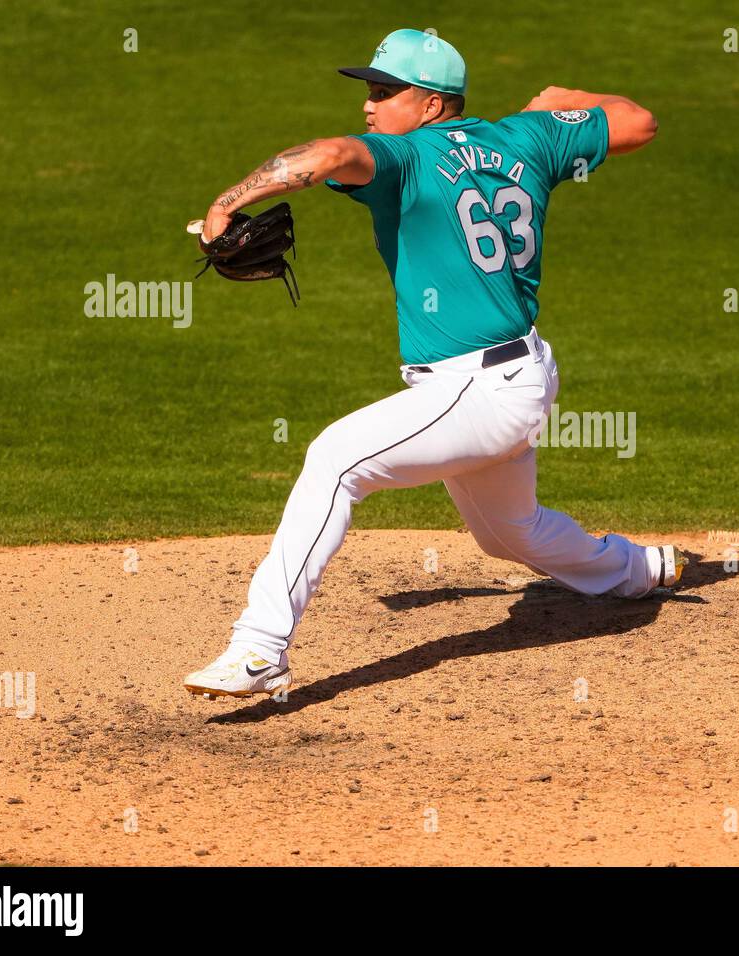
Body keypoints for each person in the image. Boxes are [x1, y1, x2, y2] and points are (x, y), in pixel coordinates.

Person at [183, 28, 684, 700]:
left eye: (386, 91)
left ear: (432, 105)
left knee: (335, 460)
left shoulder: (407, 156)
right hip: (520, 371)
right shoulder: (527, 139)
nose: (369, 104)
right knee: (510, 533)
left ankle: (258, 648)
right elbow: (638, 122)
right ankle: (635, 568)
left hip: (477, 387)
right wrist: (565, 103)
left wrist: (226, 203)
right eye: (368, 90)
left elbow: (329, 154)